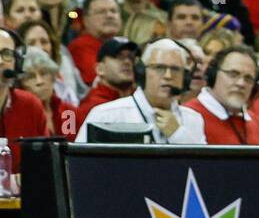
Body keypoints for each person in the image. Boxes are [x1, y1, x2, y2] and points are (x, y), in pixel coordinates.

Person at [76, 38, 204, 143]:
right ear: (141, 72)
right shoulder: (106, 115)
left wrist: (178, 134)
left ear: (185, 77)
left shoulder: (194, 119)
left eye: (175, 69)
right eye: (159, 68)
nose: (168, 75)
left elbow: (202, 171)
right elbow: (79, 167)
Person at [181, 46, 259, 144]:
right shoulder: (187, 116)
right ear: (213, 75)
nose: (241, 83)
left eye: (248, 78)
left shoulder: (255, 122)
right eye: (233, 74)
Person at [0, 26, 49, 172]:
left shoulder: (30, 105)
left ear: (18, 61)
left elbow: (45, 164)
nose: (0, 61)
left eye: (6, 54)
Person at [74, 36, 139, 124]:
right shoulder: (92, 108)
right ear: (99, 69)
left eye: (131, 57)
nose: (127, 62)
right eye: (119, 57)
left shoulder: (141, 99)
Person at [18, 45, 77, 139]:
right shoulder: (19, 116)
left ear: (53, 77)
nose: (39, 81)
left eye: (44, 73)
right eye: (30, 77)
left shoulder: (68, 112)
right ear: (20, 84)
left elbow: (73, 144)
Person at [68, 0, 124, 83]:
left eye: (113, 11)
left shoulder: (124, 44)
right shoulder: (80, 46)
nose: (109, 15)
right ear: (85, 20)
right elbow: (98, 80)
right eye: (101, 12)